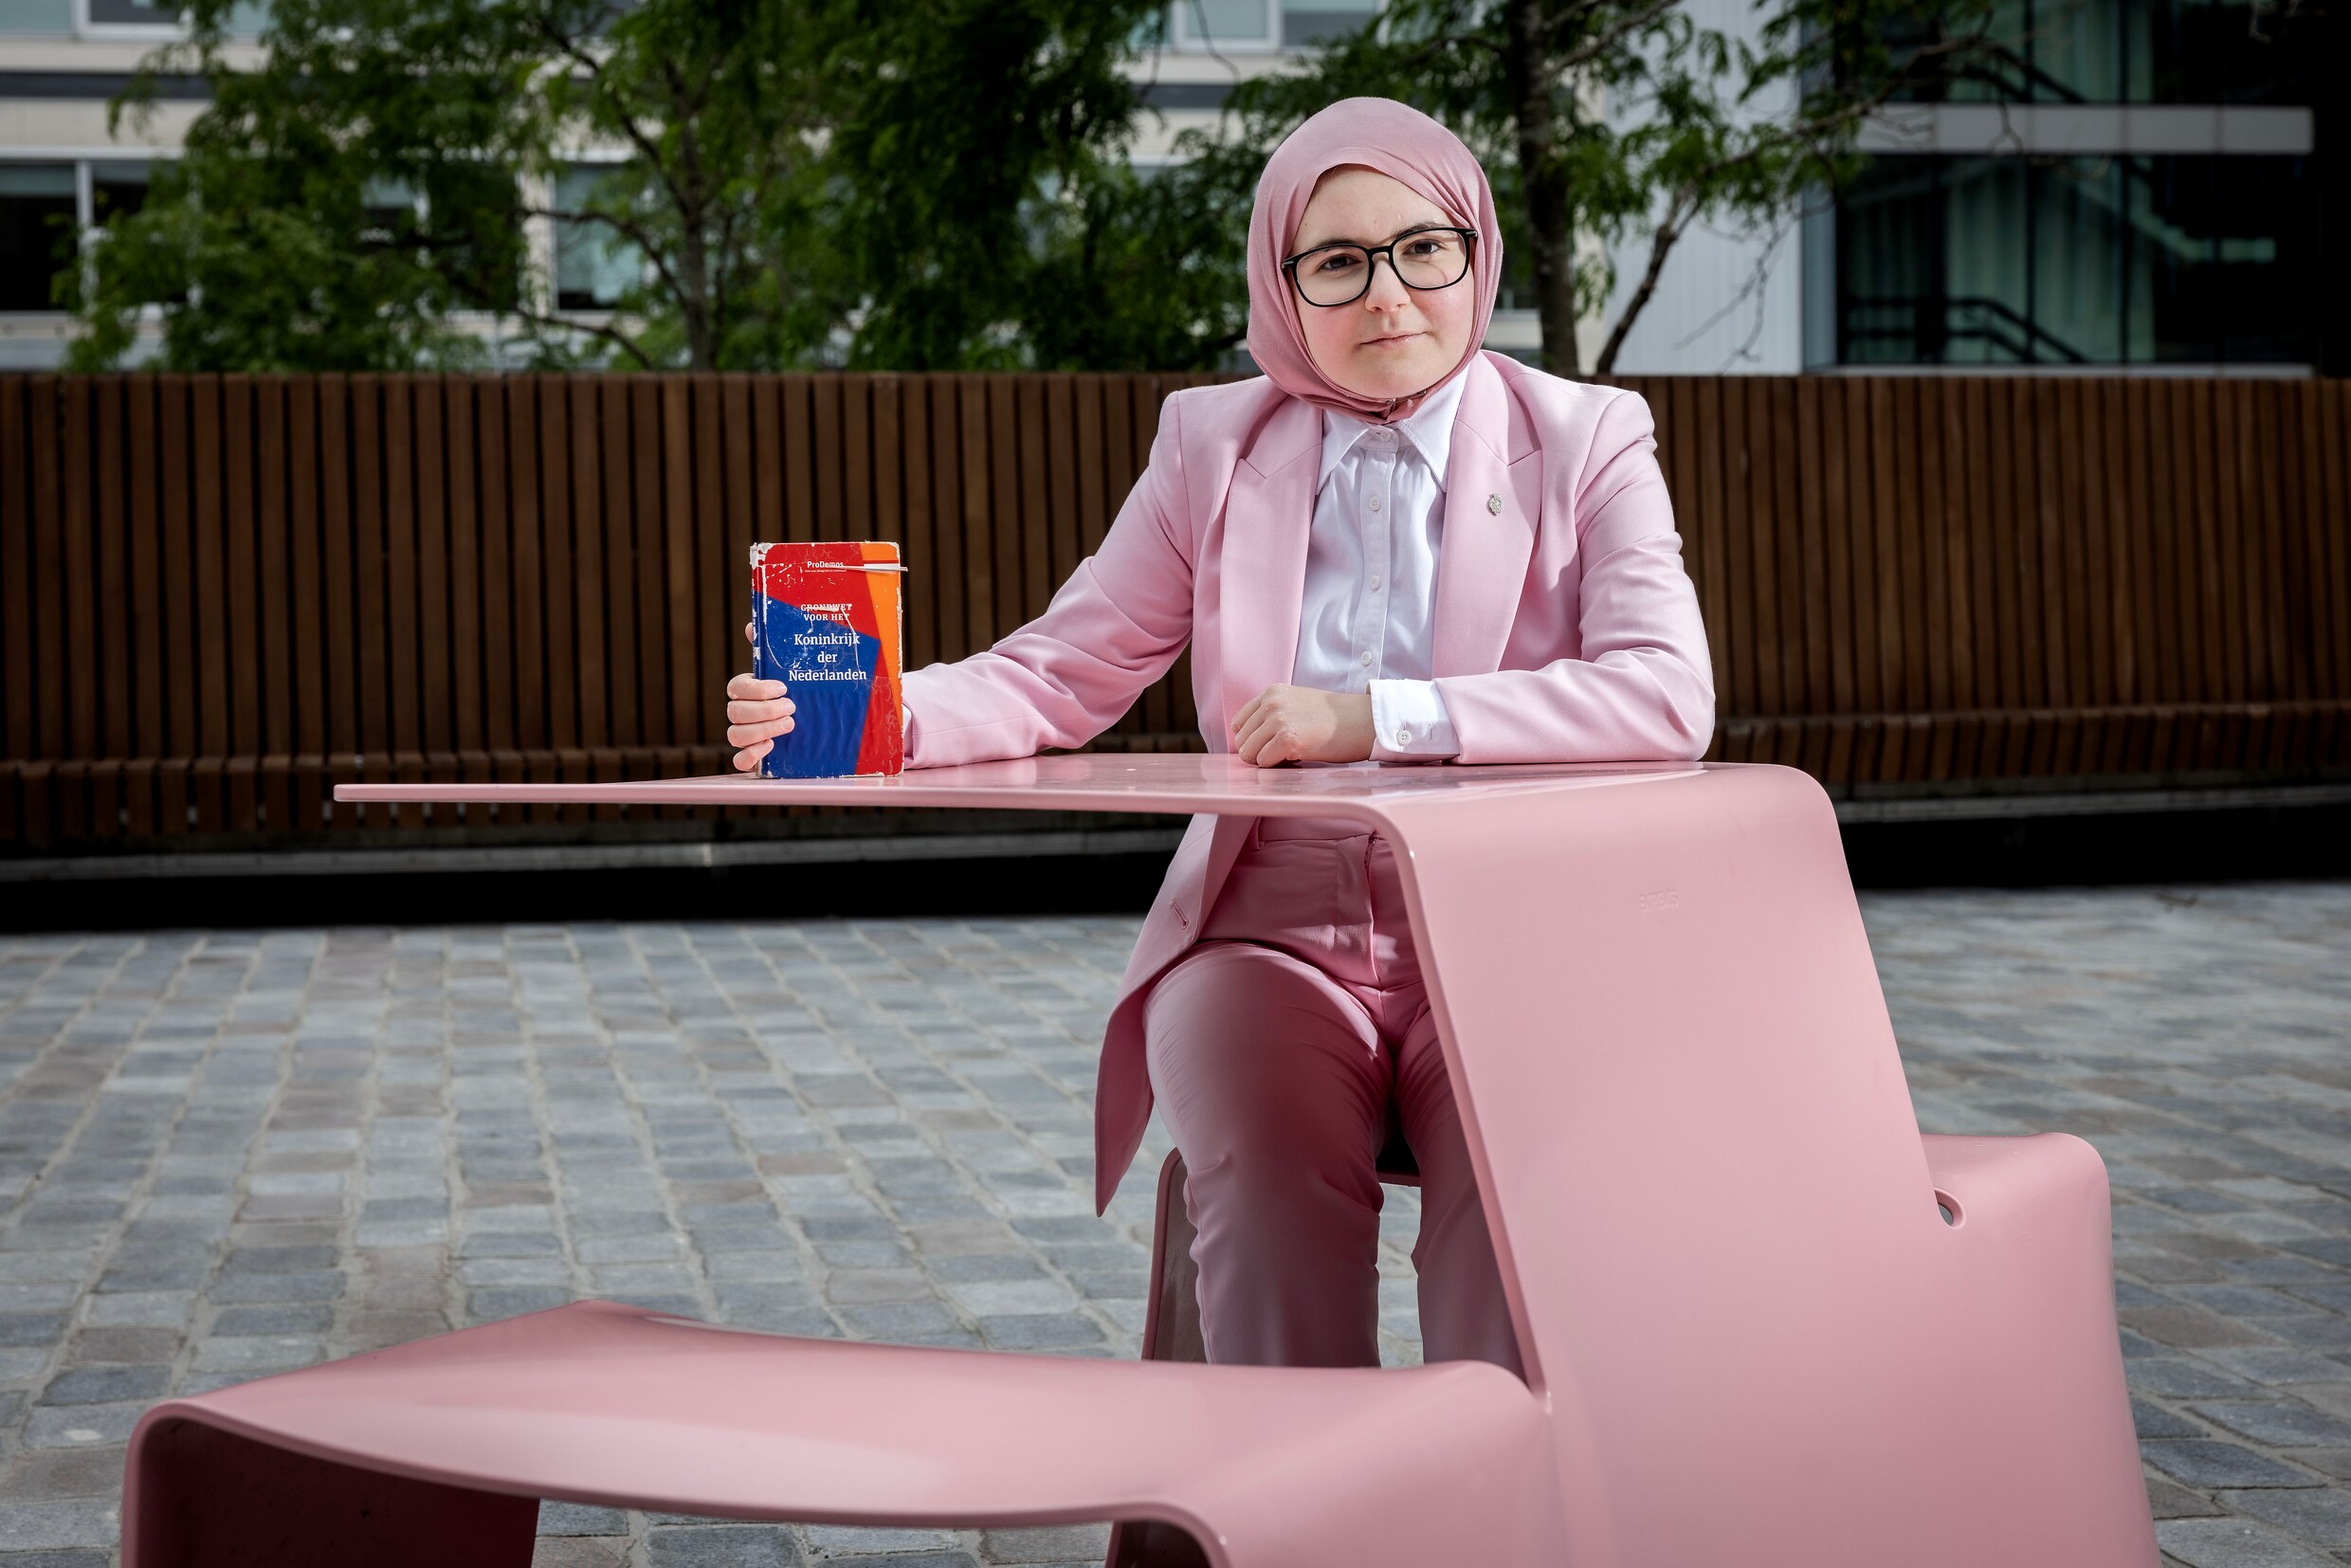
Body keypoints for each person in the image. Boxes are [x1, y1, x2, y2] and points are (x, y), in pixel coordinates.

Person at [724, 97, 1714, 1376]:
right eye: (1339, 262)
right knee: (1269, 1211)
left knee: (1506, 1267)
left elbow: (1662, 694)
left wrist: (1374, 719)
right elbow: (1064, 668)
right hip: (1270, 930)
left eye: (1426, 248)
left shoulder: (1587, 439)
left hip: (1518, 933)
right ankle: (1289, 1514)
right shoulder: (1211, 443)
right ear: (1281, 283)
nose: (1391, 295)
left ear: (1476, 249)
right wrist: (867, 711)